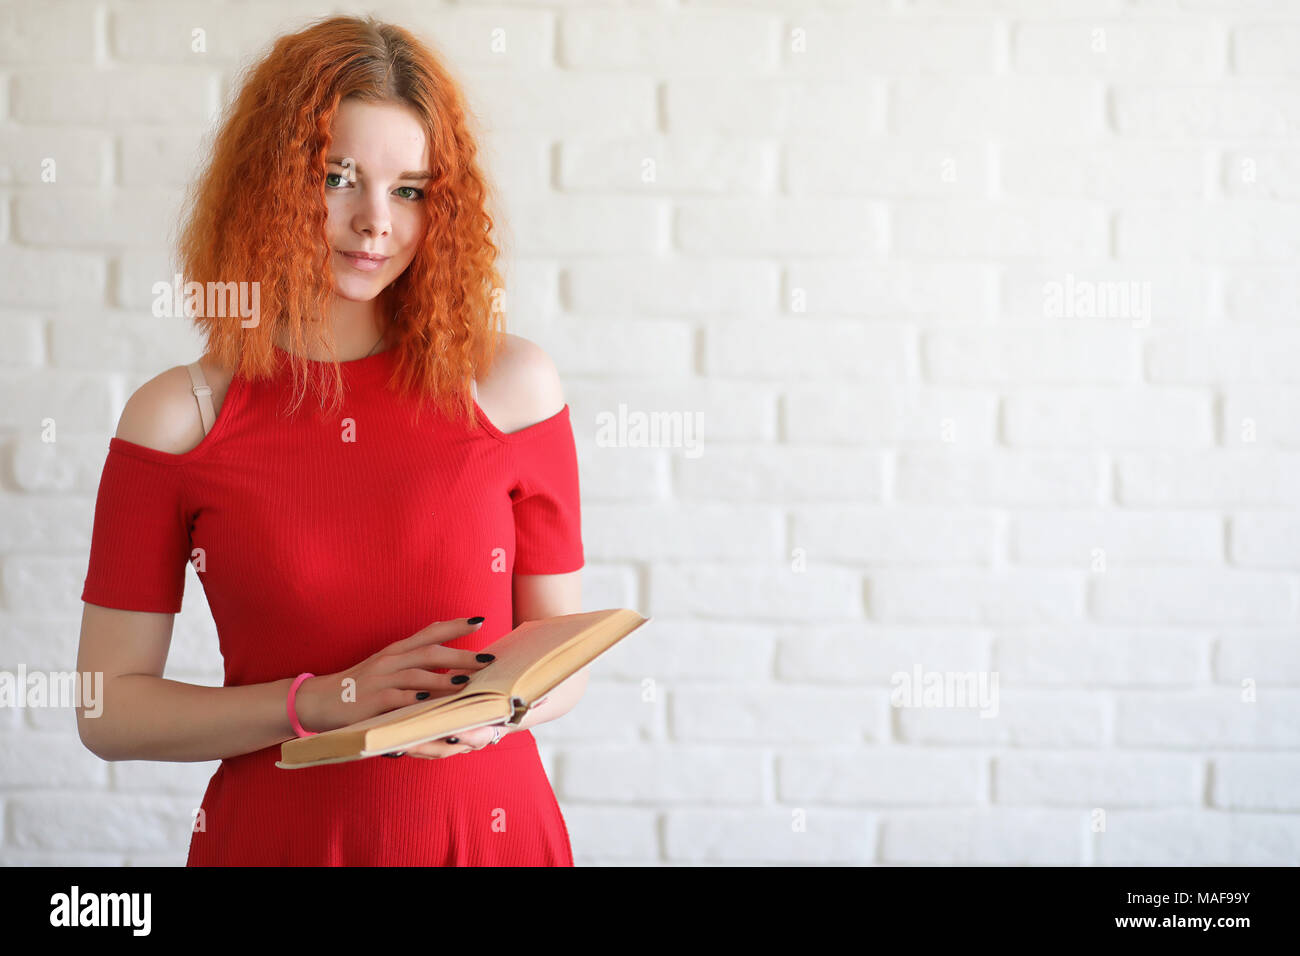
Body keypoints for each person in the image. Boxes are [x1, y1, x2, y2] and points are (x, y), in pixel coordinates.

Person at [75, 14, 587, 866]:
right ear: (270, 185)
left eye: (412, 190)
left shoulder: (512, 389)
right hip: (282, 842)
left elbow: (561, 658)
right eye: (338, 177)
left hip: (487, 837)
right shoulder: (178, 418)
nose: (375, 222)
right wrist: (323, 701)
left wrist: (491, 711)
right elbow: (107, 710)